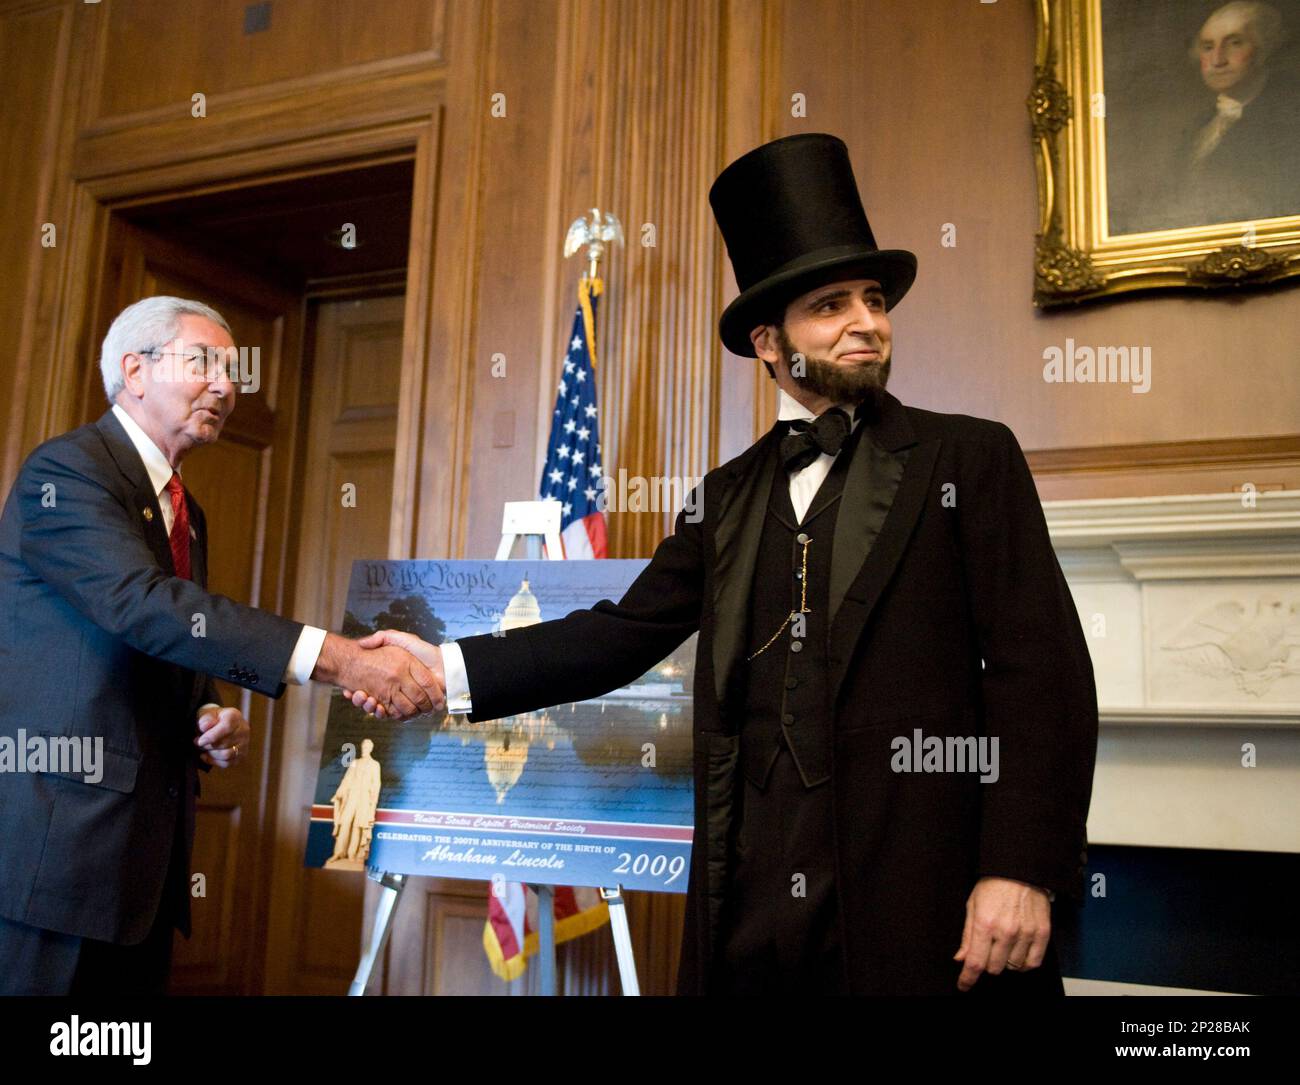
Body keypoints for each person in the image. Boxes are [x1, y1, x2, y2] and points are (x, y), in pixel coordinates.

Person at [346, 134, 1099, 995]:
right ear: (771, 343)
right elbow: (621, 635)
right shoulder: (727, 495)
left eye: (873, 298)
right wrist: (443, 668)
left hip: (919, 894)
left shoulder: (970, 458)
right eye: (831, 305)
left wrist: (1022, 868)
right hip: (750, 902)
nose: (866, 321)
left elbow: (1042, 677)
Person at [0, 296, 445, 994]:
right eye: (204, 363)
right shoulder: (68, 472)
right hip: (58, 861)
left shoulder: (185, 509)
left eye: (234, 372)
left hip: (141, 871)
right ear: (134, 371)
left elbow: (171, 642)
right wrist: (343, 658)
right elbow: (142, 605)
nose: (228, 387)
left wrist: (208, 713)